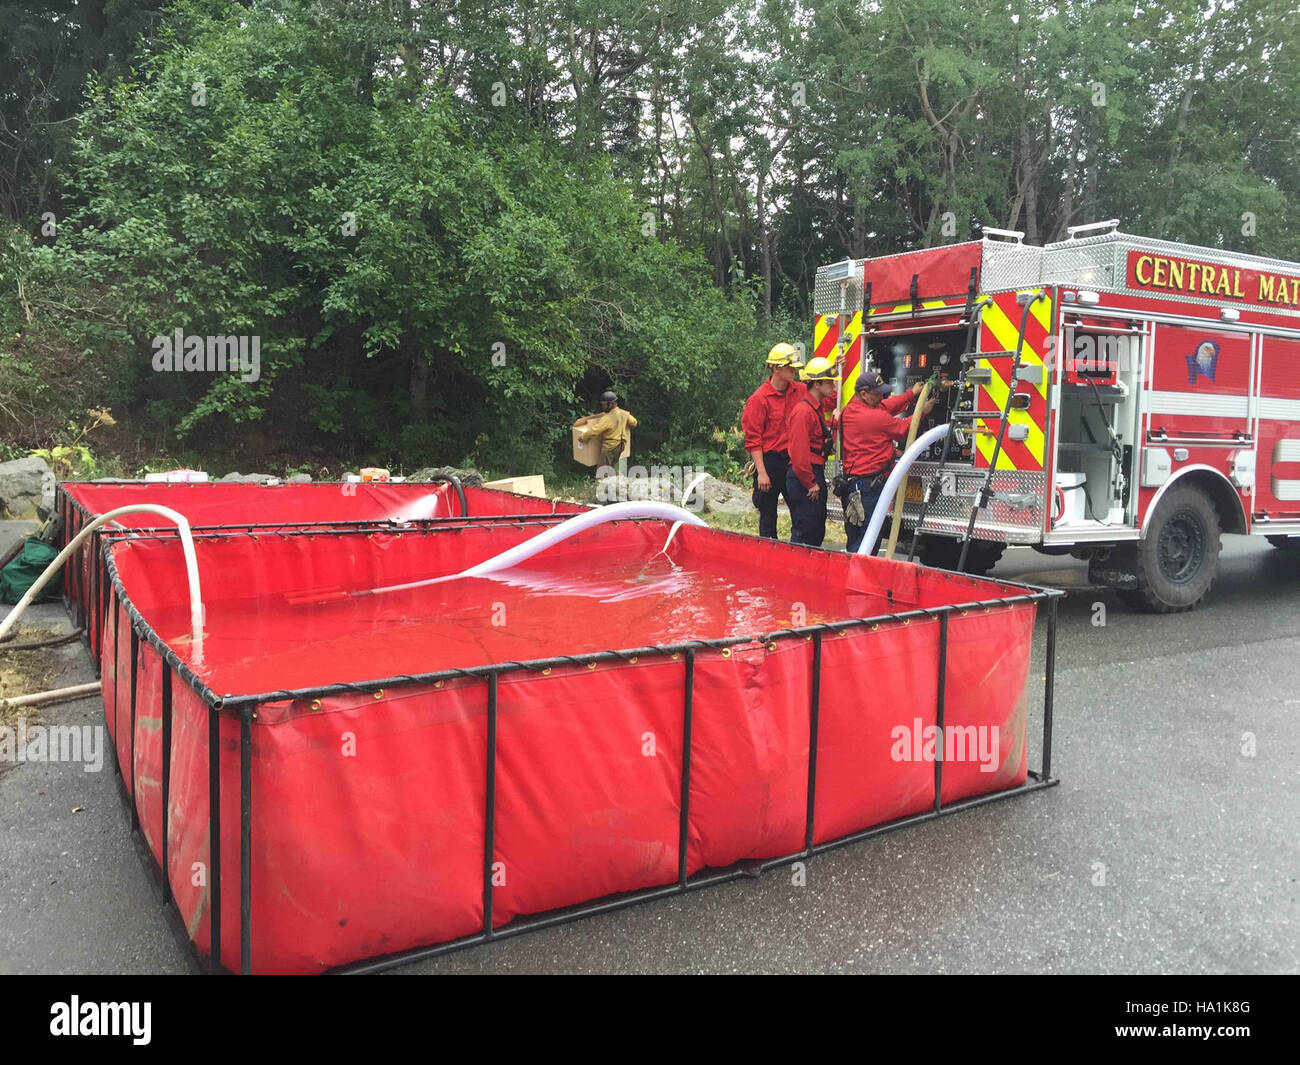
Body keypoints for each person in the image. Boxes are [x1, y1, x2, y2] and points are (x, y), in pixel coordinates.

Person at [840, 370, 934, 555]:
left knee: (857, 539)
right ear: (864, 394)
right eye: (878, 393)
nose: (882, 397)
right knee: (868, 541)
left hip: (855, 486)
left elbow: (886, 405)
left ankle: (855, 576)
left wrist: (911, 394)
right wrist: (922, 411)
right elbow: (904, 429)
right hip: (868, 490)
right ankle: (860, 580)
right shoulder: (874, 418)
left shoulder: (851, 409)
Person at [741, 343, 807, 539]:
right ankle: (768, 557)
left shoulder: (800, 391)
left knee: (800, 513)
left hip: (793, 462)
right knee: (768, 516)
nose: (794, 370)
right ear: (776, 368)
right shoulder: (759, 399)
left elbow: (825, 397)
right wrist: (761, 472)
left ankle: (798, 554)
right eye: (790, 366)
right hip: (770, 463)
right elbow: (754, 439)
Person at [785, 356, 838, 547]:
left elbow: (818, 436)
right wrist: (810, 483)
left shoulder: (815, 409)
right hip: (804, 478)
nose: (833, 386)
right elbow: (799, 455)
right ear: (816, 384)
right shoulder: (803, 412)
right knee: (805, 532)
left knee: (815, 531)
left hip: (812, 474)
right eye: (829, 382)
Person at [578, 390, 637, 471]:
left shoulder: (607, 418)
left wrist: (582, 437)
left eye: (604, 405)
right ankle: (615, 481)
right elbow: (634, 422)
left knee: (602, 472)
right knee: (611, 468)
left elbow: (594, 431)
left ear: (610, 404)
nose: (602, 407)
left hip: (610, 447)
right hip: (621, 446)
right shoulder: (624, 414)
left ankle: (603, 482)